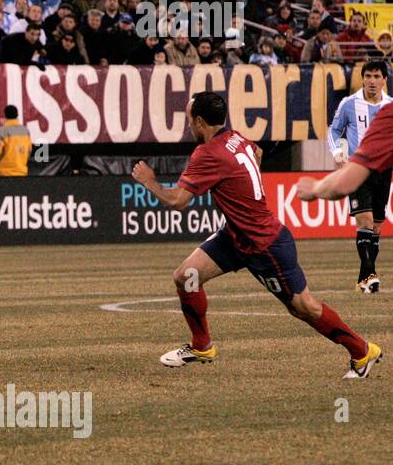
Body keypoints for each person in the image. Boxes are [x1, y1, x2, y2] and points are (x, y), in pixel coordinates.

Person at [131, 92, 379, 379]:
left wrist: (149, 181)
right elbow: (257, 153)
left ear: (200, 122)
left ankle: (362, 351)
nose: (189, 126)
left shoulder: (208, 153)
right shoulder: (234, 137)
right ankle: (202, 346)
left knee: (304, 308)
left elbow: (178, 201)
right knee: (186, 275)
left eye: (189, 120)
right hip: (235, 236)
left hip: (264, 244)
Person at [326, 62, 393, 293]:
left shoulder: (390, 106)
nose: (372, 81)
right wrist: (337, 152)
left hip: (384, 171)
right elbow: (333, 130)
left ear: (385, 79)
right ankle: (371, 275)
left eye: (377, 76)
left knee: (375, 226)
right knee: (364, 221)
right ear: (362, 79)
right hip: (357, 168)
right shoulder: (349, 104)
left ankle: (364, 278)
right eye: (368, 76)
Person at [0, 105, 32, 177]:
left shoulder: (1, 131)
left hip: (3, 174)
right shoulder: (25, 131)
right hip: (22, 173)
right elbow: (28, 151)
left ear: (5, 115)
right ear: (17, 115)